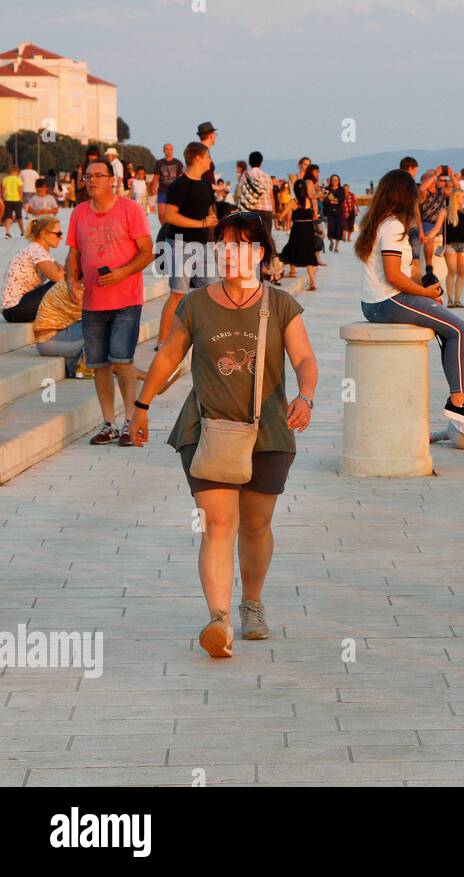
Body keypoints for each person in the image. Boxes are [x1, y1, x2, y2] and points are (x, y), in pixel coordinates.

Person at [128, 212, 318, 658]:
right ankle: (218, 620)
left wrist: (305, 397)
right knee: (217, 523)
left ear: (259, 253)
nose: (229, 254)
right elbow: (169, 356)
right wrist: (141, 405)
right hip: (206, 429)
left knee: (255, 525)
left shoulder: (281, 304)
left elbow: (305, 359)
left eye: (240, 245)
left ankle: (251, 603)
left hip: (267, 431)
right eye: (223, 245)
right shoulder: (196, 304)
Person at [356, 169, 464, 429]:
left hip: (375, 302)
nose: (419, 200)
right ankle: (459, 401)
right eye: (415, 195)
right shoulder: (393, 225)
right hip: (388, 301)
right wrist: (426, 294)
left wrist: (426, 287)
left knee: (445, 325)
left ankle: (459, 396)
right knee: (459, 329)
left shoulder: (378, 222)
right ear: (404, 196)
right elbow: (393, 276)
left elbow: (404, 272)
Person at [65, 159, 153, 447]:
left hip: (126, 300)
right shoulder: (79, 213)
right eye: (87, 176)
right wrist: (71, 283)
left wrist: (121, 274)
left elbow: (146, 252)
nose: (91, 180)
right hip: (92, 302)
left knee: (123, 362)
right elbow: (74, 255)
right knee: (99, 364)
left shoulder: (131, 210)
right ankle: (109, 424)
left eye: (98, 175)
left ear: (112, 180)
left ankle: (129, 421)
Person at [159, 142, 220, 347]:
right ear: (197, 158)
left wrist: (212, 220)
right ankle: (162, 339)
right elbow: (170, 216)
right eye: (208, 157)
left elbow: (210, 211)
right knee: (177, 294)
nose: (211, 161)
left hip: (203, 245)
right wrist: (200, 223)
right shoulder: (179, 185)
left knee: (213, 289)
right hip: (180, 244)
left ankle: (209, 334)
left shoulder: (205, 185)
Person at [2, 216, 65, 323]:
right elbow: (59, 278)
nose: (61, 238)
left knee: (72, 278)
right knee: (66, 283)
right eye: (58, 234)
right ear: (43, 233)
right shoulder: (36, 251)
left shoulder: (38, 250)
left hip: (16, 307)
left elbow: (64, 270)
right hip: (15, 310)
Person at [33, 275, 89, 378]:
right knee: (101, 326)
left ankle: (78, 364)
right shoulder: (75, 289)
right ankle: (86, 365)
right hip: (50, 340)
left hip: (54, 337)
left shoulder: (70, 282)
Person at [433, 187, 464, 309]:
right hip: (450, 245)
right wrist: (428, 236)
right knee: (452, 271)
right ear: (456, 198)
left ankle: (458, 300)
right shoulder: (445, 211)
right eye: (462, 197)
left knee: (461, 272)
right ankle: (450, 300)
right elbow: (437, 228)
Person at [280, 180, 320, 290]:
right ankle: (312, 282)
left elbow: (282, 214)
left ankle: (293, 271)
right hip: (308, 229)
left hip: (297, 229)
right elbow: (315, 217)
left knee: (292, 247)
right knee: (308, 253)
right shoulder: (311, 201)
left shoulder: (293, 202)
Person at [242, 151, 276, 244]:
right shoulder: (267, 176)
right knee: (267, 235)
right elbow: (271, 196)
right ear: (261, 162)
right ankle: (270, 256)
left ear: (249, 162)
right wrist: (274, 211)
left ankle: (257, 256)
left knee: (254, 236)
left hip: (252, 209)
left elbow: (243, 194)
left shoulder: (246, 175)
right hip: (267, 209)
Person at [153, 143, 184, 221]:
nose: (169, 151)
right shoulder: (159, 163)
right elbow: (156, 176)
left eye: (170, 149)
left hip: (175, 192)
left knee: (176, 214)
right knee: (161, 215)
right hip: (162, 191)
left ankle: (177, 233)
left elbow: (181, 177)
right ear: (163, 150)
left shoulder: (178, 163)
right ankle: (165, 231)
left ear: (173, 150)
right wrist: (154, 186)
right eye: (167, 149)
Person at [323, 174, 345, 252]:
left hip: (339, 211)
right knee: (330, 228)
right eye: (332, 180)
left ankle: (336, 247)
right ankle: (331, 242)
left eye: (336, 180)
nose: (334, 181)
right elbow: (325, 200)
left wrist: (333, 200)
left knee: (339, 229)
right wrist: (334, 200)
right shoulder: (327, 189)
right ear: (330, 181)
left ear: (338, 180)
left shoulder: (341, 189)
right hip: (330, 211)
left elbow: (342, 199)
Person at [3, 166, 23, 238]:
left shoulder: (5, 179)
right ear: (17, 172)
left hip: (8, 200)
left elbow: (3, 190)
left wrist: (4, 198)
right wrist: (21, 198)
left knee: (8, 217)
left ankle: (7, 232)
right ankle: (22, 231)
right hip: (17, 200)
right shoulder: (18, 179)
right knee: (19, 217)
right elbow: (20, 190)